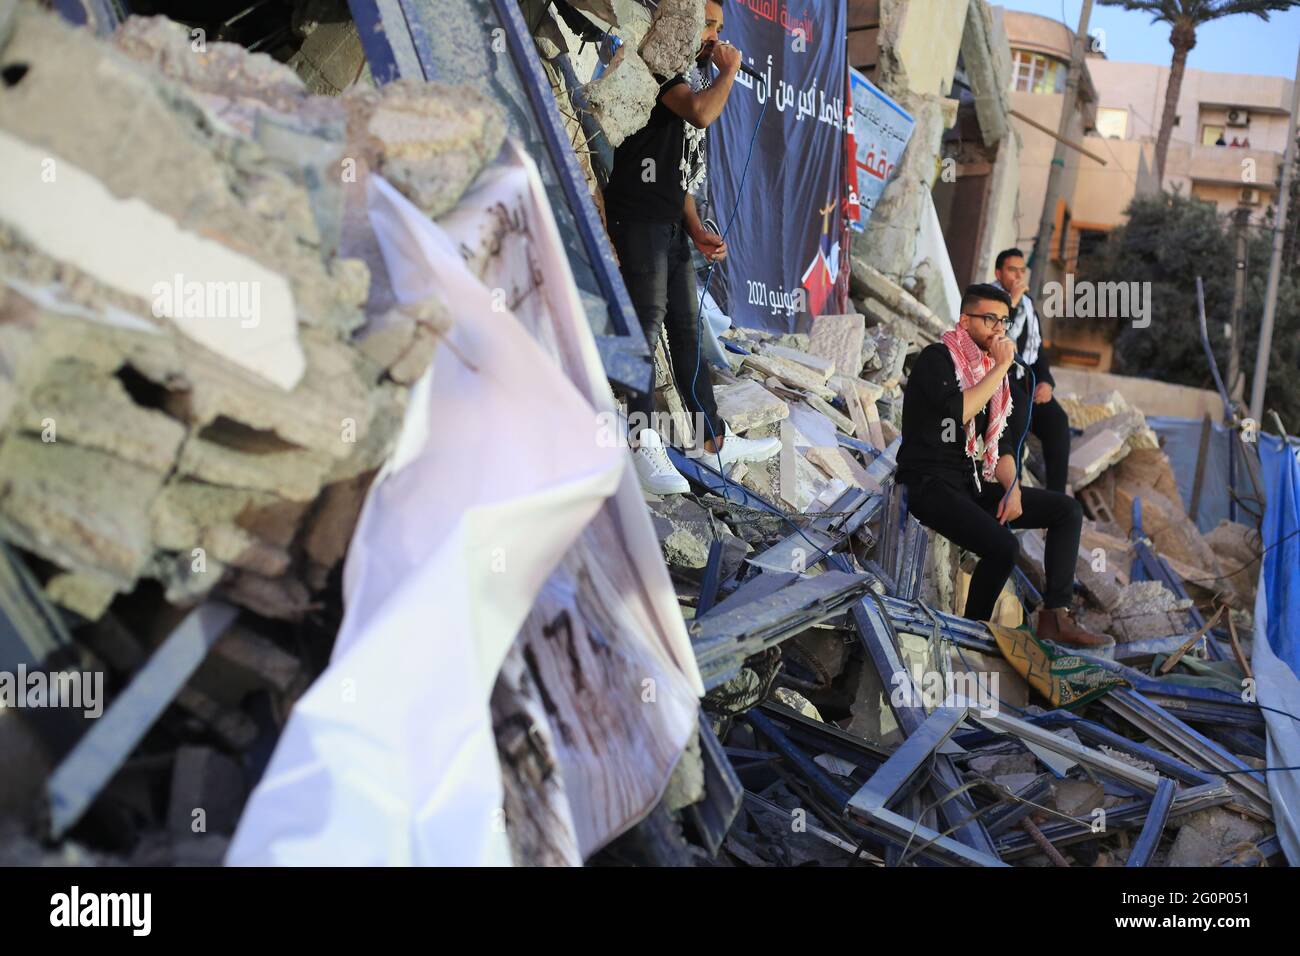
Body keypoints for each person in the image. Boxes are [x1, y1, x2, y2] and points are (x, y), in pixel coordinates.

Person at [603, 0, 778, 495]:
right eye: (707, 24)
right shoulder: (663, 69)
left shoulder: (693, 76)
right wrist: (730, 71)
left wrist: (697, 226)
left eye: (720, 27)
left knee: (685, 327)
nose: (714, 36)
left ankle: (711, 439)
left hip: (670, 219)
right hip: (637, 214)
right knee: (647, 323)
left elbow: (678, 174)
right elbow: (701, 115)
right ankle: (639, 441)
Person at [895, 283, 1108, 647]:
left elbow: (1004, 443)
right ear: (965, 320)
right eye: (990, 319)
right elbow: (959, 409)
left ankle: (1055, 617)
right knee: (1003, 547)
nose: (999, 329)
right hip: (926, 482)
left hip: (965, 480)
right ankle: (968, 635)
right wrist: (1004, 366)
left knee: (1066, 510)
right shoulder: (937, 358)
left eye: (1004, 321)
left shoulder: (989, 372)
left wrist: (1011, 490)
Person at [992, 248, 1072, 493]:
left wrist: (1046, 382)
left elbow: (1036, 351)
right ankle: (1008, 493)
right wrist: (1012, 302)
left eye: (1021, 270)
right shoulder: (988, 298)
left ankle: (1055, 501)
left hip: (1024, 382)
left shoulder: (1027, 305)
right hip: (996, 380)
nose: (1018, 275)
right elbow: (997, 334)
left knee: (1058, 422)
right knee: (1018, 413)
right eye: (1011, 270)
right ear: (998, 272)